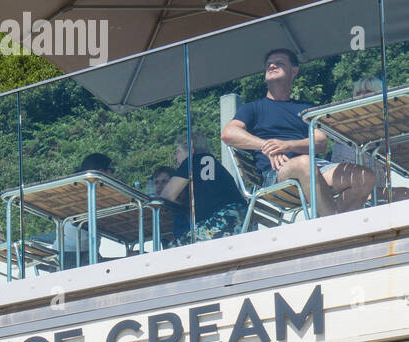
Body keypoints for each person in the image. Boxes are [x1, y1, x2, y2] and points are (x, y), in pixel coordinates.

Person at [221, 47, 373, 218]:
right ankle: (331, 228)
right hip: (275, 174)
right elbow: (228, 133)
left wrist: (287, 145)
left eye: (278, 63)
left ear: (294, 71)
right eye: (268, 64)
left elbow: (321, 143)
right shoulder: (253, 108)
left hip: (316, 167)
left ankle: (331, 222)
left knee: (364, 176)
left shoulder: (306, 108)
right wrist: (269, 145)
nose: (271, 66)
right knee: (304, 163)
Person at [159, 134, 246, 243]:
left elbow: (167, 195)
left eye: (178, 151)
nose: (175, 157)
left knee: (172, 250)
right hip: (244, 221)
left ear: (191, 148)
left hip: (222, 222)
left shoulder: (191, 162)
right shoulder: (213, 163)